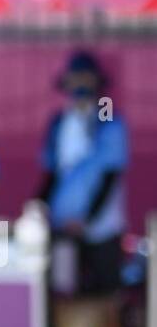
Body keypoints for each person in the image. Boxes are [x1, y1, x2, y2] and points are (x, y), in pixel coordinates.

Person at [36, 51, 129, 296]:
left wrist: (86, 219)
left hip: (102, 229)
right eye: (74, 79)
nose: (80, 85)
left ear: (97, 81)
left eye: (86, 78)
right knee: (63, 292)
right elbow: (52, 176)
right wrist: (38, 208)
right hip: (63, 227)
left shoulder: (106, 115)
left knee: (107, 295)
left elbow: (110, 176)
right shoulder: (59, 122)